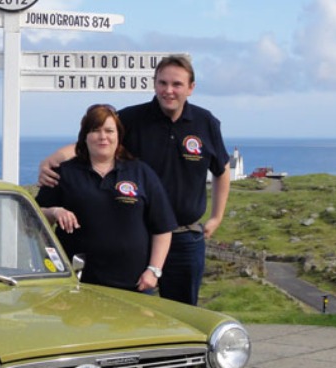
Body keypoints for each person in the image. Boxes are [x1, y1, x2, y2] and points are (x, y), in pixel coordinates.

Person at [38, 55, 231, 306]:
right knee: (136, 312)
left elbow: (222, 169)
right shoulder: (132, 118)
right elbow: (97, 139)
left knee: (184, 315)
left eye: (177, 84)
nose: (168, 90)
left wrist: (217, 217)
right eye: (162, 83)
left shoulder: (206, 123)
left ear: (191, 88)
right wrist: (51, 161)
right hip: (139, 235)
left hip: (184, 236)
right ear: (154, 84)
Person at [36, 103, 175, 294]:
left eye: (109, 130)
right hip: (77, 283)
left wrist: (154, 271)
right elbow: (34, 218)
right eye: (95, 130)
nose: (103, 137)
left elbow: (163, 227)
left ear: (118, 135)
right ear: (84, 136)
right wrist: (54, 211)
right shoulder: (65, 173)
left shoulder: (141, 172)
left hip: (134, 285)